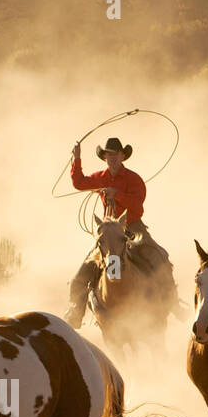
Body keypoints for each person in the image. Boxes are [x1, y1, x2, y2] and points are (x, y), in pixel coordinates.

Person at [63, 136, 172, 328]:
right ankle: (77, 311)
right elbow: (79, 183)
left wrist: (117, 194)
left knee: (159, 257)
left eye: (115, 154)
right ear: (104, 157)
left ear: (123, 156)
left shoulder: (133, 179)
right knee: (84, 272)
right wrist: (77, 159)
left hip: (134, 228)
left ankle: (171, 303)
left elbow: (137, 207)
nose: (112, 158)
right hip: (110, 232)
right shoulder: (101, 177)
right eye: (108, 155)